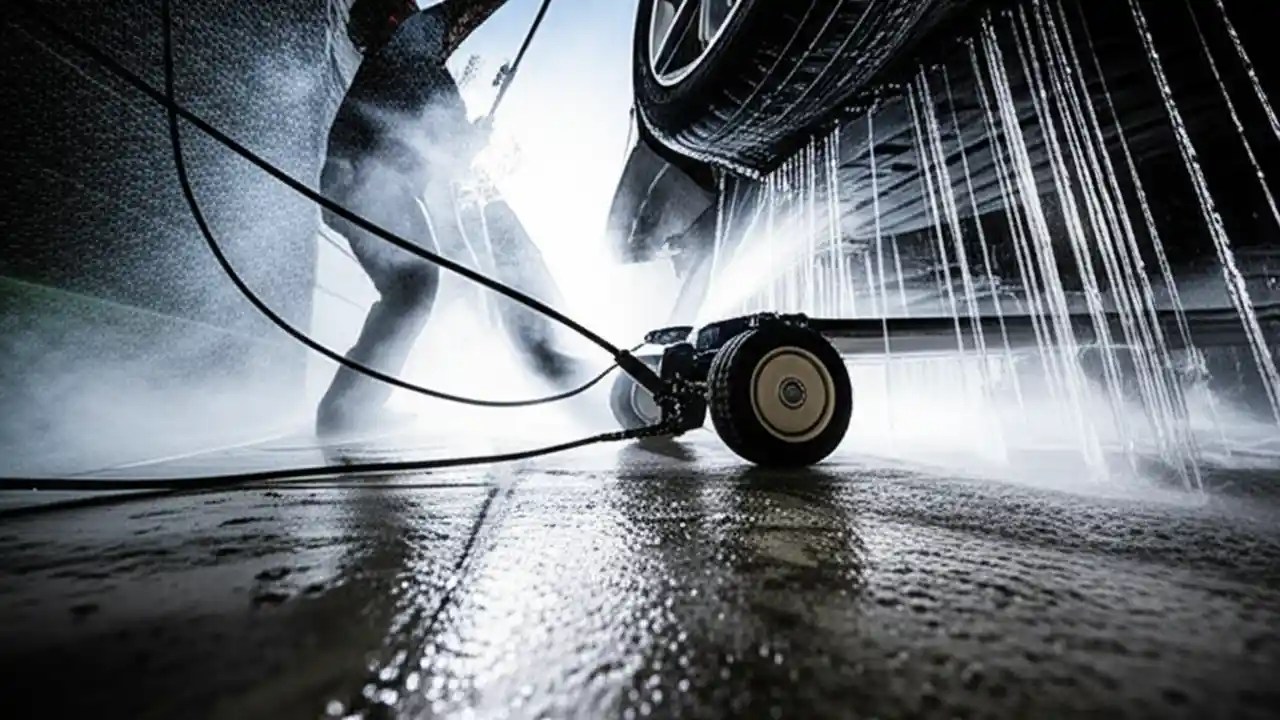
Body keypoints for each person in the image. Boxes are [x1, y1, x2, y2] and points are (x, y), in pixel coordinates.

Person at [317, 0, 583, 435]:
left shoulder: (410, 71)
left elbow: (438, 157)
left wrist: (469, 140)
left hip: (366, 188)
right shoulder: (408, 44)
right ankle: (343, 412)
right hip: (361, 186)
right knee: (413, 288)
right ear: (396, 15)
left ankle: (350, 407)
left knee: (410, 293)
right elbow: (464, 7)